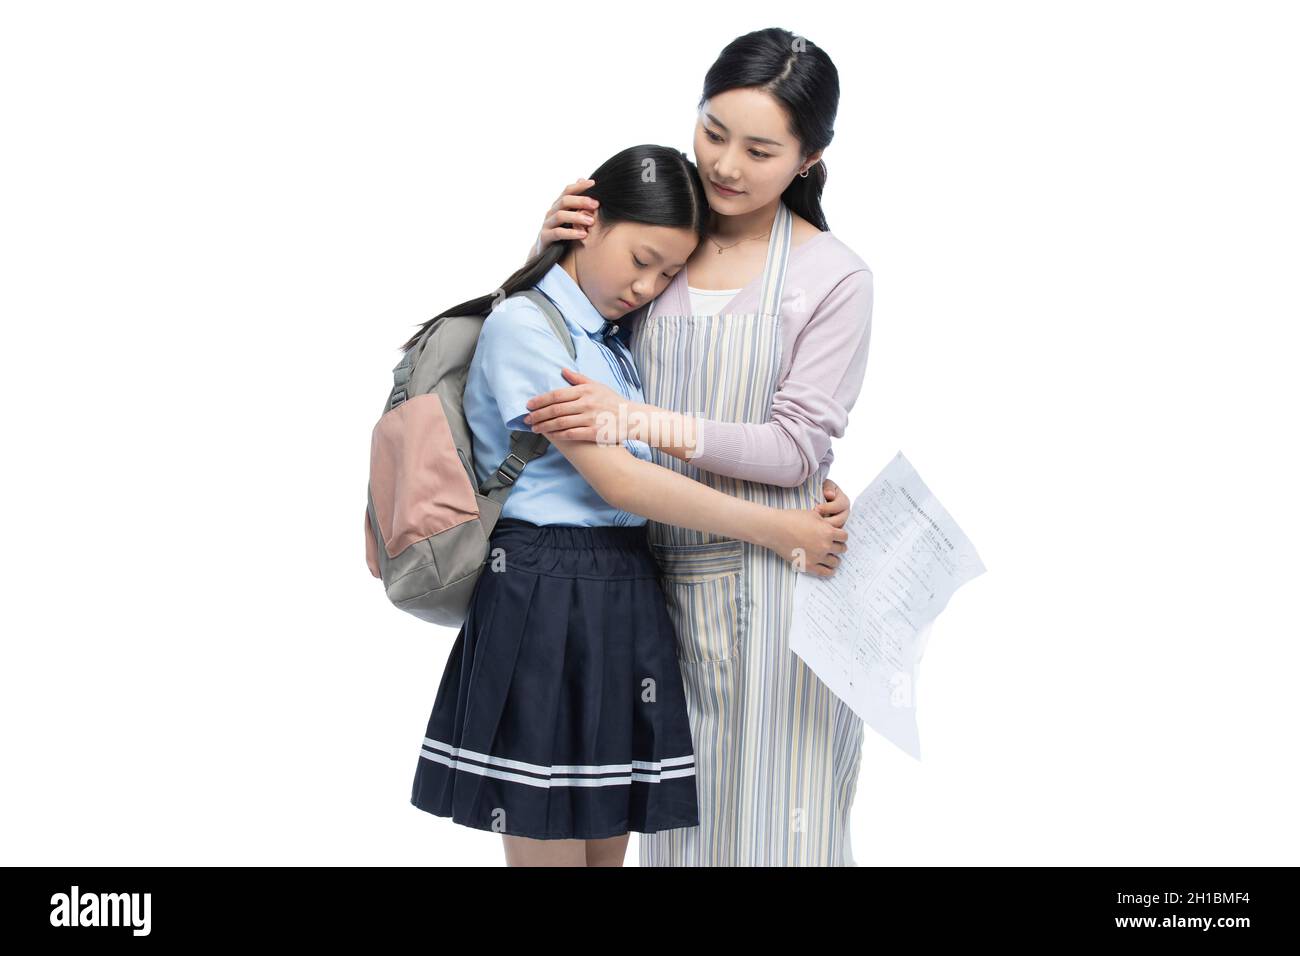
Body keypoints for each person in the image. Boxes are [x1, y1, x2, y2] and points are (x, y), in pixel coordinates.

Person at [407, 144, 849, 867]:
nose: (647, 286)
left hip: (622, 588)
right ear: (590, 221)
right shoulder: (525, 327)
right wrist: (780, 529)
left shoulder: (614, 343)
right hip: (544, 592)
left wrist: (809, 484)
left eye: (669, 273)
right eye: (642, 259)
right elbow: (621, 482)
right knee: (549, 846)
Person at [522, 28, 875, 866]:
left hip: (781, 589)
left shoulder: (833, 278)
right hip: (650, 588)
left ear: (809, 159)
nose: (725, 165)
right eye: (713, 131)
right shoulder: (660, 248)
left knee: (783, 832)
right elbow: (544, 353)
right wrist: (553, 256)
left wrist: (639, 423)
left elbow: (794, 450)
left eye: (759, 149)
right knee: (681, 841)